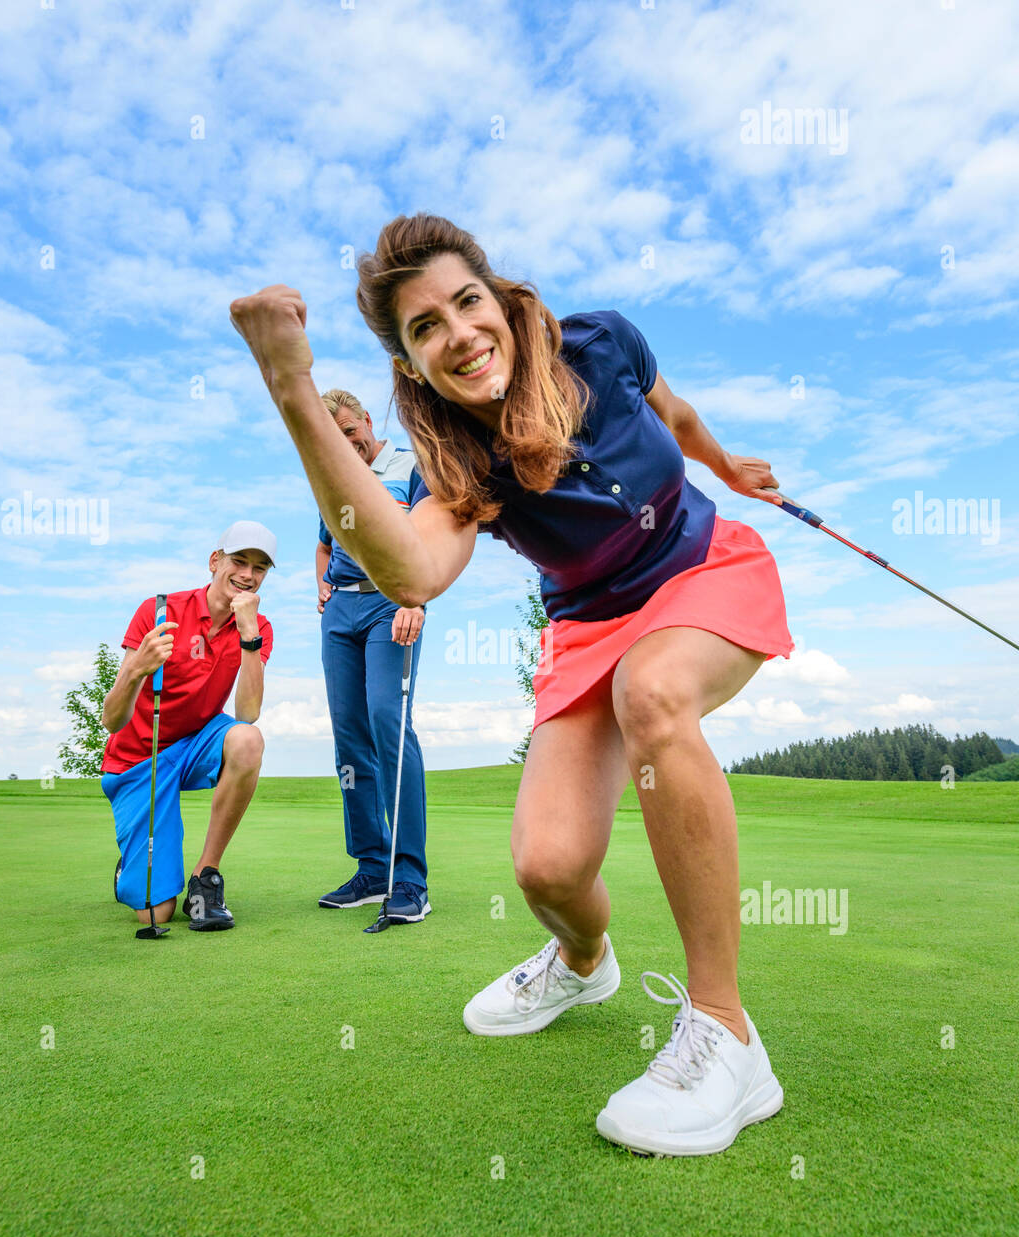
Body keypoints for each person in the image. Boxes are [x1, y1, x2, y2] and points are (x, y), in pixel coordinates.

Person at [229, 215, 794, 1156]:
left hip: (702, 568)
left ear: (497, 298)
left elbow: (677, 416)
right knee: (547, 869)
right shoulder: (461, 460)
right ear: (410, 365)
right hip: (585, 626)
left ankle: (728, 1033)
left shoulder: (601, 341)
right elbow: (408, 568)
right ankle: (582, 962)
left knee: (653, 694)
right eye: (424, 329)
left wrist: (727, 466)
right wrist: (291, 388)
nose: (458, 333)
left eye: (466, 302)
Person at [100, 522, 275, 932]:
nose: (248, 574)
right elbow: (112, 719)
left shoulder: (259, 627)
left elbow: (247, 713)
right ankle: (134, 862)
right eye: (239, 561)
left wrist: (248, 635)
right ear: (215, 562)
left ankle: (205, 878)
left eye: (260, 567)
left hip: (196, 744)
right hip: (138, 759)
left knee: (248, 740)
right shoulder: (158, 610)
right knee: (154, 912)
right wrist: (136, 670)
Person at [314, 388, 430, 924]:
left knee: (389, 720)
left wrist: (416, 597)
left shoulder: (412, 463)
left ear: (364, 418)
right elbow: (323, 541)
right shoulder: (332, 476)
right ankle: (371, 865)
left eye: (349, 431)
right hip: (341, 614)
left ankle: (409, 879)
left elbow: (433, 536)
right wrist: (321, 586)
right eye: (332, 439)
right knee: (349, 736)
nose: (345, 444)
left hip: (393, 606)